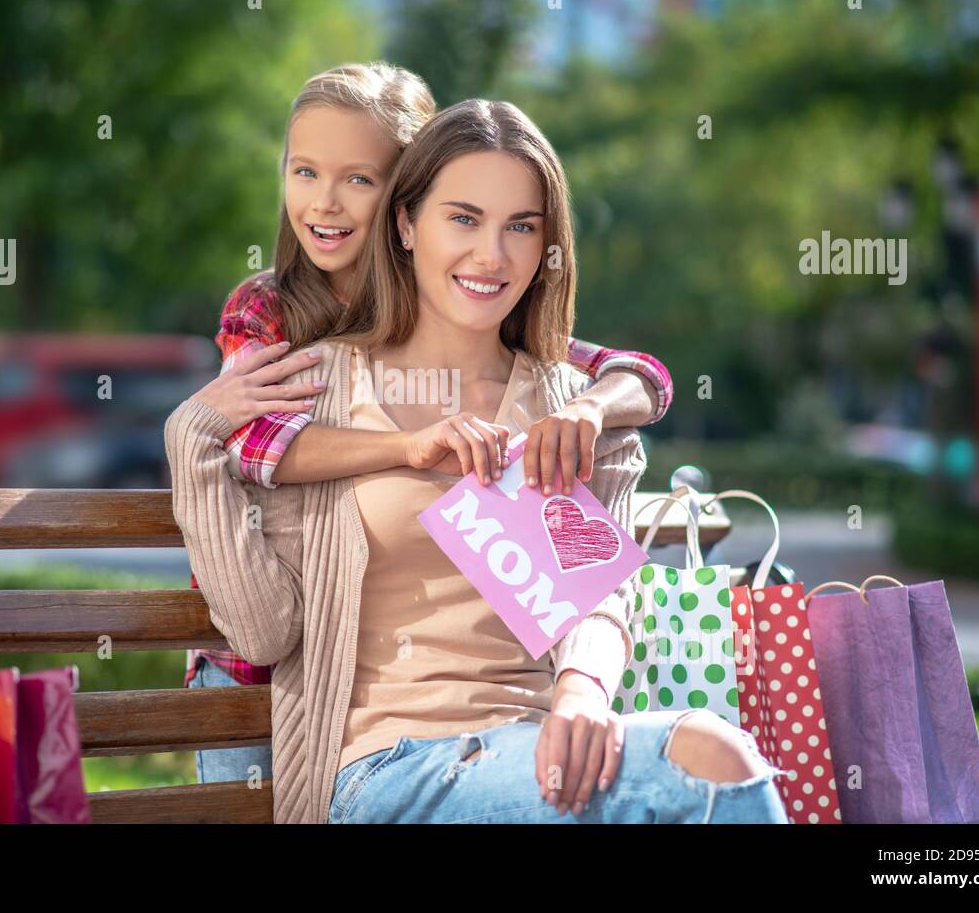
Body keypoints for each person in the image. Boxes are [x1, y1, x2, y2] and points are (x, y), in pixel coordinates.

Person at [166, 98, 788, 823]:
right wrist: (191, 437)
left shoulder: (568, 404)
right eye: (463, 218)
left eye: (520, 227)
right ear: (405, 225)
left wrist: (583, 690)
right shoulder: (319, 387)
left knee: (712, 756)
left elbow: (597, 598)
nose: (492, 256)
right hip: (384, 771)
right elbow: (263, 632)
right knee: (713, 761)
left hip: (540, 751)